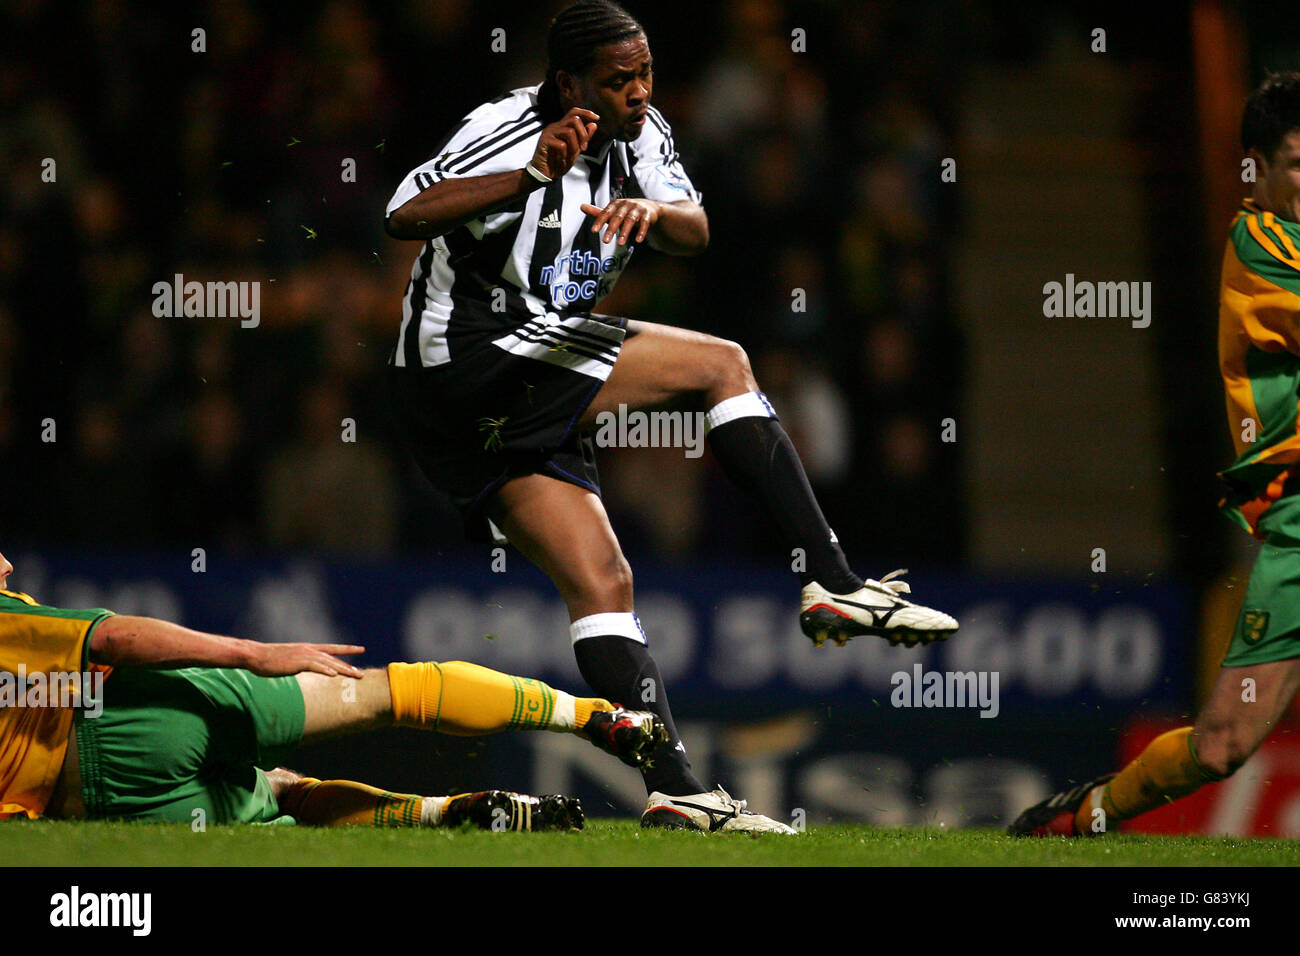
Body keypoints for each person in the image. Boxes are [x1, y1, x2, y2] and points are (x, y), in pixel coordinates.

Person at [383, 0, 958, 833]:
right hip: (472, 353)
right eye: (619, 79)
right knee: (721, 365)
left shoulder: (642, 133)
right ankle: (836, 584)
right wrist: (530, 176)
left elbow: (697, 230)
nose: (639, 91)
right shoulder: (505, 127)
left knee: (602, 581)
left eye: (646, 72)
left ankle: (677, 789)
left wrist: (653, 215)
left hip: (499, 391)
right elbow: (403, 212)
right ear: (567, 84)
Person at [1010, 72, 1300, 837]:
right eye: (1298, 163)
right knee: (1224, 742)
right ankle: (1083, 817)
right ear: (1257, 167)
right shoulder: (1260, 247)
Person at [0, 549, 665, 831]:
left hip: (95, 801)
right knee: (385, 693)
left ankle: (446, 814)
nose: (5, 564)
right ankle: (591, 716)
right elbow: (113, 639)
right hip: (132, 714)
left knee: (288, 796)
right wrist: (252, 653)